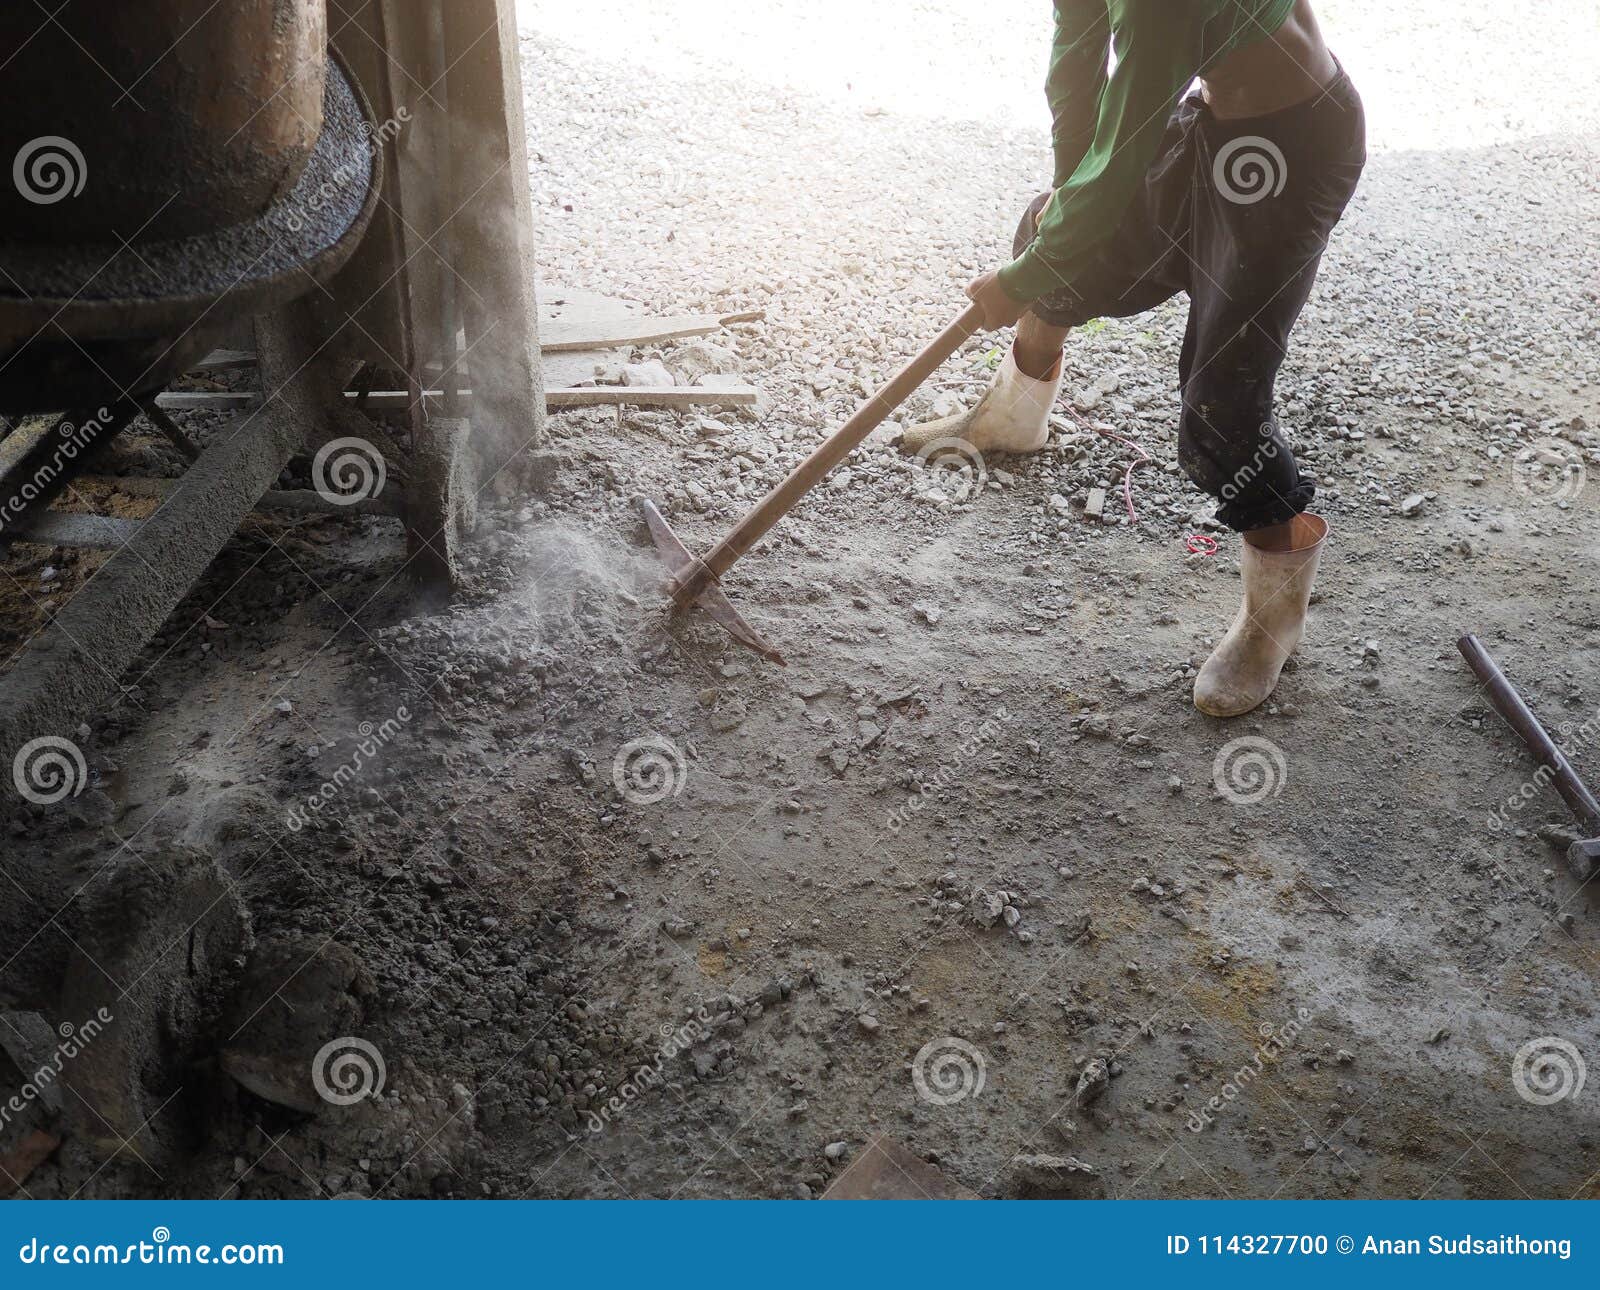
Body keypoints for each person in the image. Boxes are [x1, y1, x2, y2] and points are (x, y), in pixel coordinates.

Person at [902, 0, 1365, 717]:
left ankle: (1273, 619)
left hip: (1289, 152)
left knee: (1223, 401)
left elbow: (1122, 153)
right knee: (1051, 229)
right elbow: (1077, 57)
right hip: (1212, 119)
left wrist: (1023, 278)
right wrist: (1064, 209)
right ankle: (1013, 417)